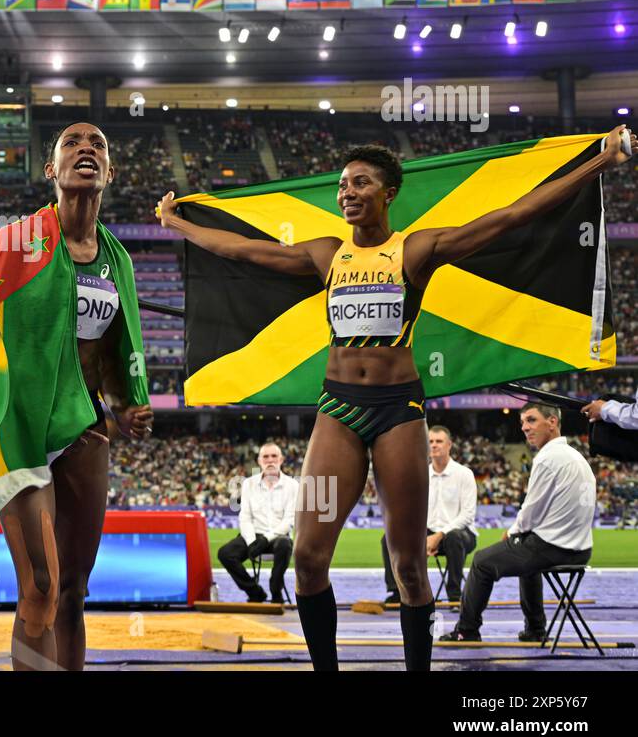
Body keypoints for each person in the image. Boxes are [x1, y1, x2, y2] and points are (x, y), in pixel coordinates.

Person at [158, 125, 631, 671]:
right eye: (342, 185)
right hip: (337, 412)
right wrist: (176, 224)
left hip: (398, 415)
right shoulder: (326, 254)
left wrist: (599, 162)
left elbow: (508, 218)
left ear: (388, 193)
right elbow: (243, 249)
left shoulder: (416, 247)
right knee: (309, 559)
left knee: (408, 565)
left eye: (361, 183)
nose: (347, 193)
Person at [0, 122, 153, 670]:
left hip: (84, 429)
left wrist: (128, 402)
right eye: (72, 142)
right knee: (40, 585)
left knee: (72, 593)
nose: (87, 148)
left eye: (98, 145)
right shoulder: (14, 246)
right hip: (21, 431)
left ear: (109, 172)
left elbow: (116, 354)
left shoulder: (118, 263)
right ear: (51, 171)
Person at [440, 403, 595, 643]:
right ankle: (534, 629)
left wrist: (512, 532)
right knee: (526, 551)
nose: (525, 427)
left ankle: (466, 629)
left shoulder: (548, 458)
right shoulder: (575, 455)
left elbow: (532, 509)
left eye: (531, 420)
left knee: (482, 562)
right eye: (523, 422)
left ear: (552, 422)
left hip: (556, 549)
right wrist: (520, 535)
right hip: (580, 549)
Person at [382, 425, 477, 603]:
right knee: (389, 538)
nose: (434, 445)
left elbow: (467, 515)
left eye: (439, 441)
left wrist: (439, 535)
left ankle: (454, 593)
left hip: (461, 536)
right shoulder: (419, 474)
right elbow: (411, 511)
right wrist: (422, 536)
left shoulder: (464, 474)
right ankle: (397, 590)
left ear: (449, 445)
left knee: (454, 537)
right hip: (427, 533)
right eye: (430, 441)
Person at [217, 442, 298, 603]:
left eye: (274, 456)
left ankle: (276, 589)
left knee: (285, 545)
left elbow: (290, 520)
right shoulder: (249, 484)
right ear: (259, 461)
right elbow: (245, 516)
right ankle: (255, 591)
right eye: (265, 457)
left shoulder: (292, 485)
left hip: (277, 537)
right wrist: (252, 541)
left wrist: (265, 539)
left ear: (281, 460)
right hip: (253, 536)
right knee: (225, 554)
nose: (270, 460)